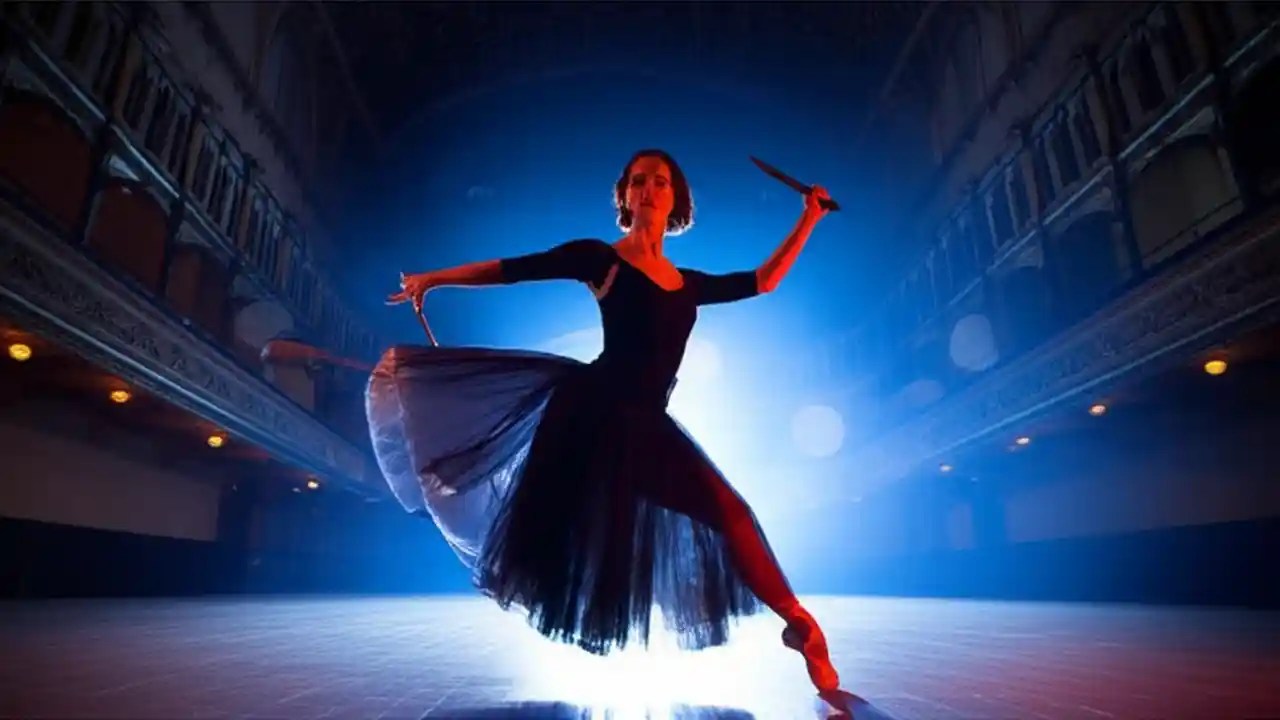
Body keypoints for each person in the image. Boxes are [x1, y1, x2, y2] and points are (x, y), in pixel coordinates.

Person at [377, 148, 839, 692]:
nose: (648, 189)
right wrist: (434, 278)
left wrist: (808, 216)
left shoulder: (688, 284)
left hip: (649, 427)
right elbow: (515, 270)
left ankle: (800, 624)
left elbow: (763, 280)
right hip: (591, 415)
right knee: (568, 538)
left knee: (733, 513)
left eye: (660, 182)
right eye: (638, 181)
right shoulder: (602, 260)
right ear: (624, 196)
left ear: (676, 200)